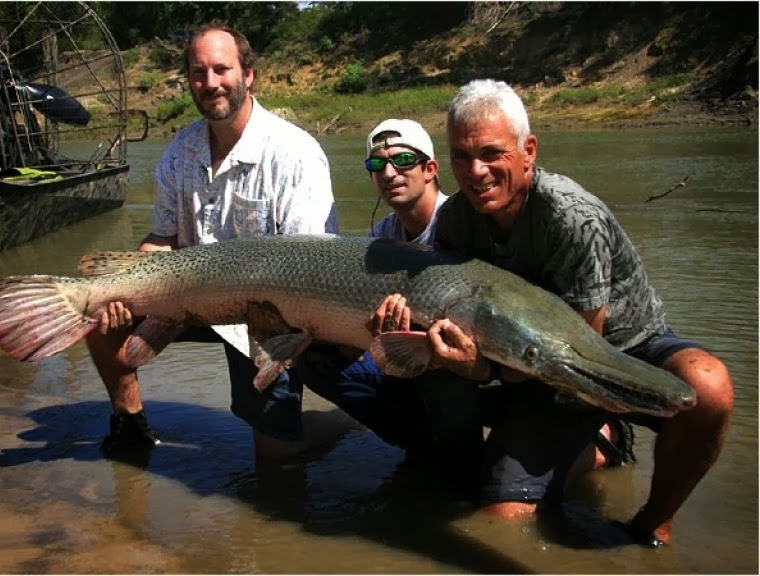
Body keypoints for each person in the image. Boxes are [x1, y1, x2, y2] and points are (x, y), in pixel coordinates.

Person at [419, 78, 733, 546]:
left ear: (528, 150)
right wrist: (466, 363)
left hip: (612, 350)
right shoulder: (454, 222)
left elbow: (579, 358)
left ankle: (652, 525)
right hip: (529, 362)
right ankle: (602, 443)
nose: (476, 171)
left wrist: (485, 369)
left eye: (491, 153)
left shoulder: (571, 217)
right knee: (503, 521)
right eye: (461, 156)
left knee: (707, 386)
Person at [86, 22, 345, 463]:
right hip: (187, 299)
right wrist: (124, 282)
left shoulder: (294, 155)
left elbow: (310, 269)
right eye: (198, 72)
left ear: (248, 75)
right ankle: (129, 421)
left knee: (277, 456)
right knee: (97, 305)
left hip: (265, 316)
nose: (210, 83)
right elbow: (163, 240)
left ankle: (344, 422)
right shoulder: (179, 151)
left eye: (221, 70)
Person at [300, 119, 486, 498]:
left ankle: (466, 460)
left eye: (402, 160)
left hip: (470, 367)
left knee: (441, 368)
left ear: (430, 169)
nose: (388, 172)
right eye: (376, 164)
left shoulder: (463, 225)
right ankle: (420, 443)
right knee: (314, 356)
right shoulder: (381, 236)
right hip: (410, 357)